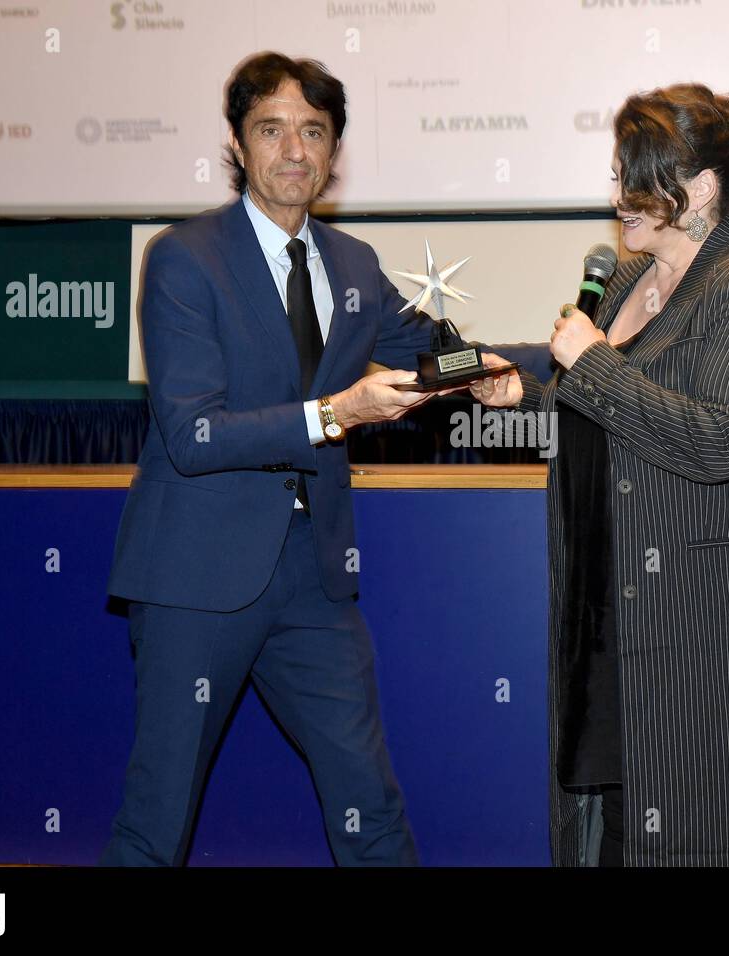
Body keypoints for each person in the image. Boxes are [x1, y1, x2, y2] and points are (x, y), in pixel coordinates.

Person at [470, 83, 729, 866]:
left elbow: (719, 442)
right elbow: (611, 426)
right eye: (616, 175)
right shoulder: (621, 286)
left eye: (638, 178)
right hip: (615, 622)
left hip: (716, 638)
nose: (620, 198)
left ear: (703, 186)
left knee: (722, 833)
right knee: (615, 832)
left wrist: (594, 366)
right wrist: (525, 399)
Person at [100, 52, 460, 866]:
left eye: (313, 131)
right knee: (156, 822)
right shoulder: (184, 258)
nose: (294, 150)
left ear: (334, 152)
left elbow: (442, 354)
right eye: (272, 129)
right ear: (237, 142)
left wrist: (551, 365)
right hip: (197, 576)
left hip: (314, 581)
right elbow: (194, 435)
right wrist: (336, 413)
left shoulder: (355, 265)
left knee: (370, 802)